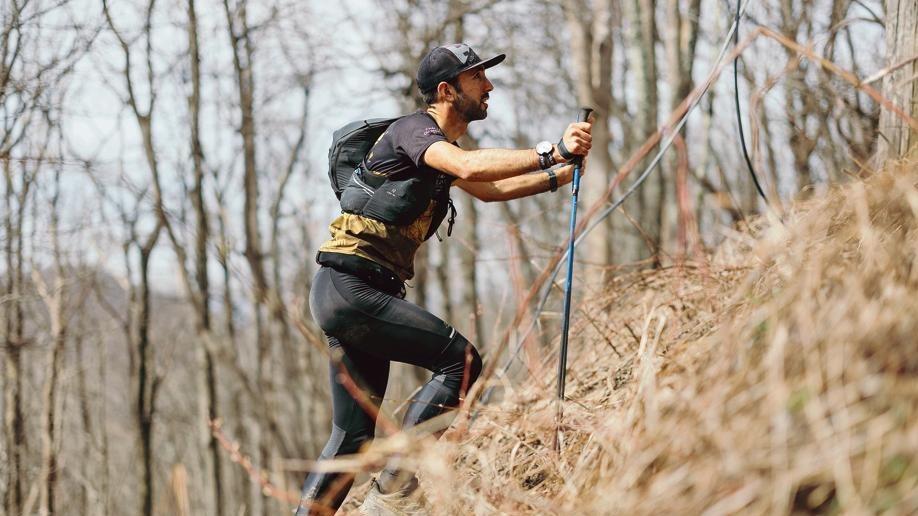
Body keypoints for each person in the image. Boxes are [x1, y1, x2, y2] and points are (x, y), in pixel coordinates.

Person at [296, 43, 592, 515]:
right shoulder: (415, 132)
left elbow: (491, 189)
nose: (489, 86)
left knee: (351, 436)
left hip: (350, 292)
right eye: (479, 78)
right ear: (446, 90)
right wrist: (550, 151)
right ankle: (393, 490)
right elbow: (470, 167)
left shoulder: (439, 152)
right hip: (351, 287)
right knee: (463, 362)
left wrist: (558, 173)